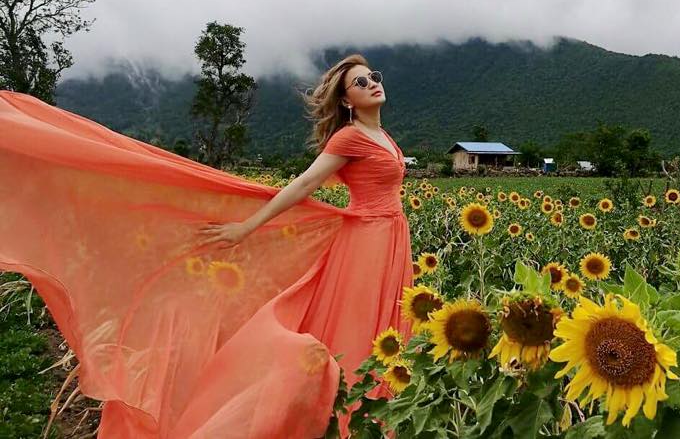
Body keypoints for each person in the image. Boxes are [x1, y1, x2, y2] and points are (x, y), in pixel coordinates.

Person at [0, 53, 414, 438]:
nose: (372, 83)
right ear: (346, 101)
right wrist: (246, 227)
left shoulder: (383, 135)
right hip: (366, 241)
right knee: (359, 326)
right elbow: (304, 183)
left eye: (373, 77)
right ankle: (352, 414)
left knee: (388, 324)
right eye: (360, 82)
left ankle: (382, 406)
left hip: (392, 237)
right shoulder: (348, 139)